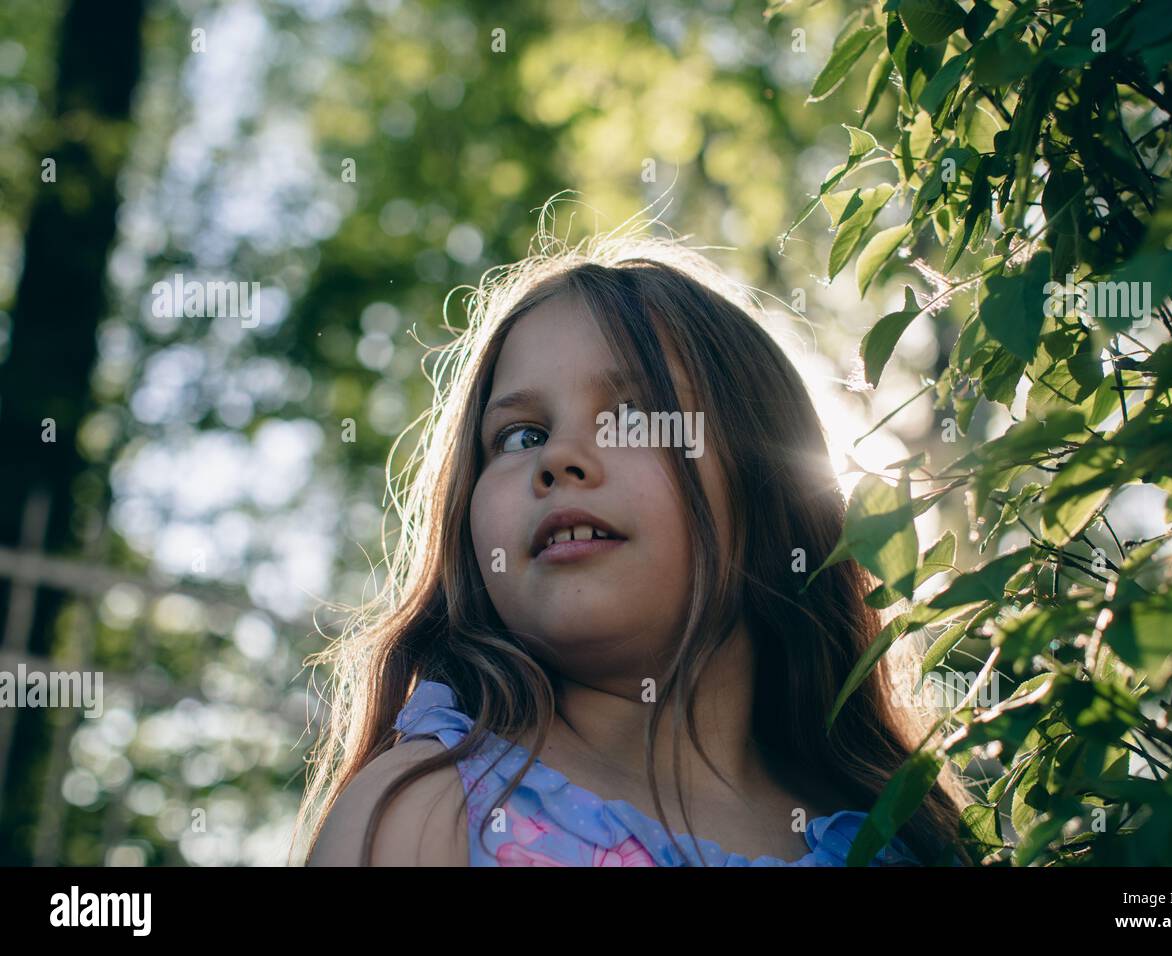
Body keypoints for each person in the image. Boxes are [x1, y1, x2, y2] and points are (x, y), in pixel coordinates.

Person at [295, 196, 972, 867]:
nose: (558, 458)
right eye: (521, 434)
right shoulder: (424, 811)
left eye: (631, 419)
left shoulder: (900, 837)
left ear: (769, 480)